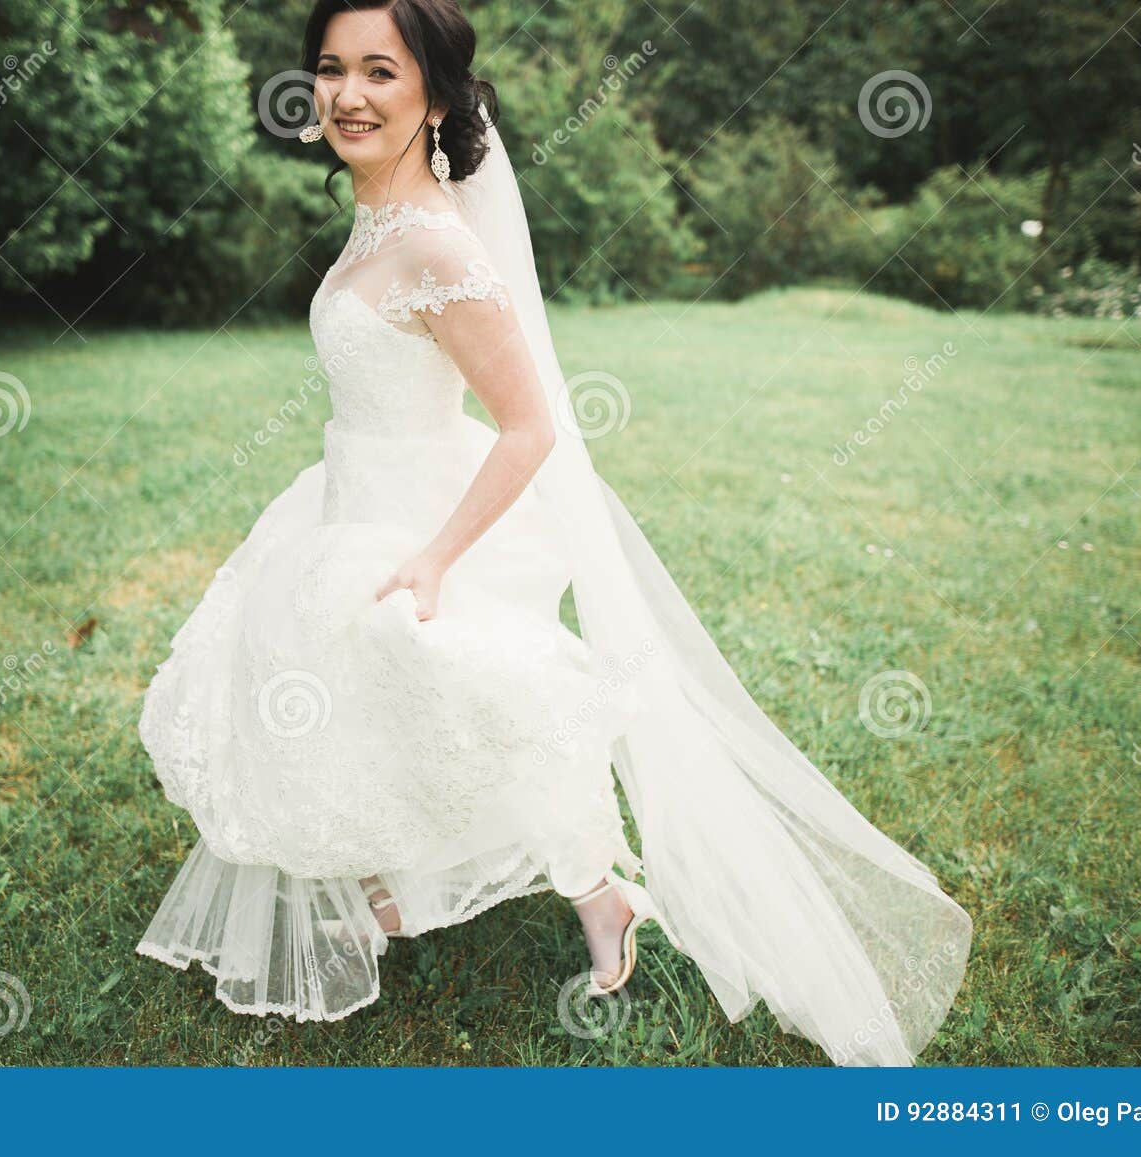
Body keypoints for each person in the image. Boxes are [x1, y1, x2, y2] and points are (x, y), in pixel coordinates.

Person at [136, 0, 972, 1066]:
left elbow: (529, 425)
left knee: (475, 691)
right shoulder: (379, 210)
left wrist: (436, 556)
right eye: (331, 69)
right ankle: (460, 874)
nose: (347, 94)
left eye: (379, 72)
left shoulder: (435, 242)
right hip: (351, 487)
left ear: (431, 95)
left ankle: (592, 884)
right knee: (351, 688)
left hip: (421, 513)